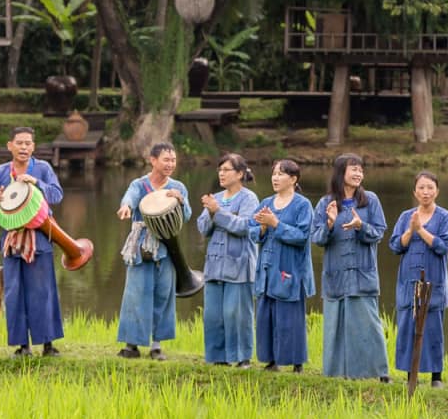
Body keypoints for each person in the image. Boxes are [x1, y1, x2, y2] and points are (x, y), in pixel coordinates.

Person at [0, 127, 66, 356]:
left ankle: (48, 344)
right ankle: (22, 346)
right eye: (19, 143)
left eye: (28, 143)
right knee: (14, 293)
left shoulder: (43, 168)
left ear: (33, 147)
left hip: (40, 239)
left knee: (43, 292)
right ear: (10, 146)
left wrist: (36, 183)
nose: (24, 147)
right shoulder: (0, 173)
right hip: (11, 242)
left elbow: (57, 195)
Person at [313, 153, 390, 380]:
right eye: (353, 169)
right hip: (335, 274)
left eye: (360, 170)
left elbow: (379, 233)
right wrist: (329, 224)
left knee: (368, 324)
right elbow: (316, 238)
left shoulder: (370, 200)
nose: (358, 174)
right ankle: (336, 373)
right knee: (334, 326)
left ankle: (377, 373)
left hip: (362, 274)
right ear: (340, 173)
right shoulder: (325, 203)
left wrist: (360, 226)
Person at [116, 142, 190, 360]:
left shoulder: (178, 186)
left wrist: (180, 201)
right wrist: (126, 207)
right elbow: (129, 198)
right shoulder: (139, 184)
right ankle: (131, 344)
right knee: (136, 293)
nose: (170, 164)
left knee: (164, 293)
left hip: (167, 246)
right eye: (166, 160)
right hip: (140, 245)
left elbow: (186, 216)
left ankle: (157, 346)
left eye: (173, 160)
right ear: (153, 160)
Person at [389, 172, 448, 385]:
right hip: (408, 279)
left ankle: (436, 376)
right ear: (414, 192)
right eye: (421, 188)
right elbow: (395, 246)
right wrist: (410, 230)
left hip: (433, 279)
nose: (426, 192)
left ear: (437, 191)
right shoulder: (405, 216)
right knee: (408, 326)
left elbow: (442, 246)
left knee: (433, 328)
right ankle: (411, 375)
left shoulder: (444, 217)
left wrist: (420, 230)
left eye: (430, 188)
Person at [197, 153, 261, 366]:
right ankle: (217, 357)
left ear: (240, 174)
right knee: (213, 315)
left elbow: (245, 226)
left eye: (226, 170)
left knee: (237, 314)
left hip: (239, 264)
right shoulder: (215, 197)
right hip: (214, 264)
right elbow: (203, 228)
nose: (221, 174)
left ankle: (242, 358)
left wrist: (218, 212)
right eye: (220, 170)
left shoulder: (249, 198)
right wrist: (210, 212)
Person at [252, 159, 315, 371]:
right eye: (274, 174)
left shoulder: (302, 205)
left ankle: (297, 363)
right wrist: (262, 228)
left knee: (290, 318)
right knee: (266, 316)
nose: (275, 178)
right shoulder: (266, 202)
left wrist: (276, 224)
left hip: (290, 267)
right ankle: (272, 361)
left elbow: (302, 236)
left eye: (280, 174)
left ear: (293, 179)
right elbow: (252, 230)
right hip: (267, 266)